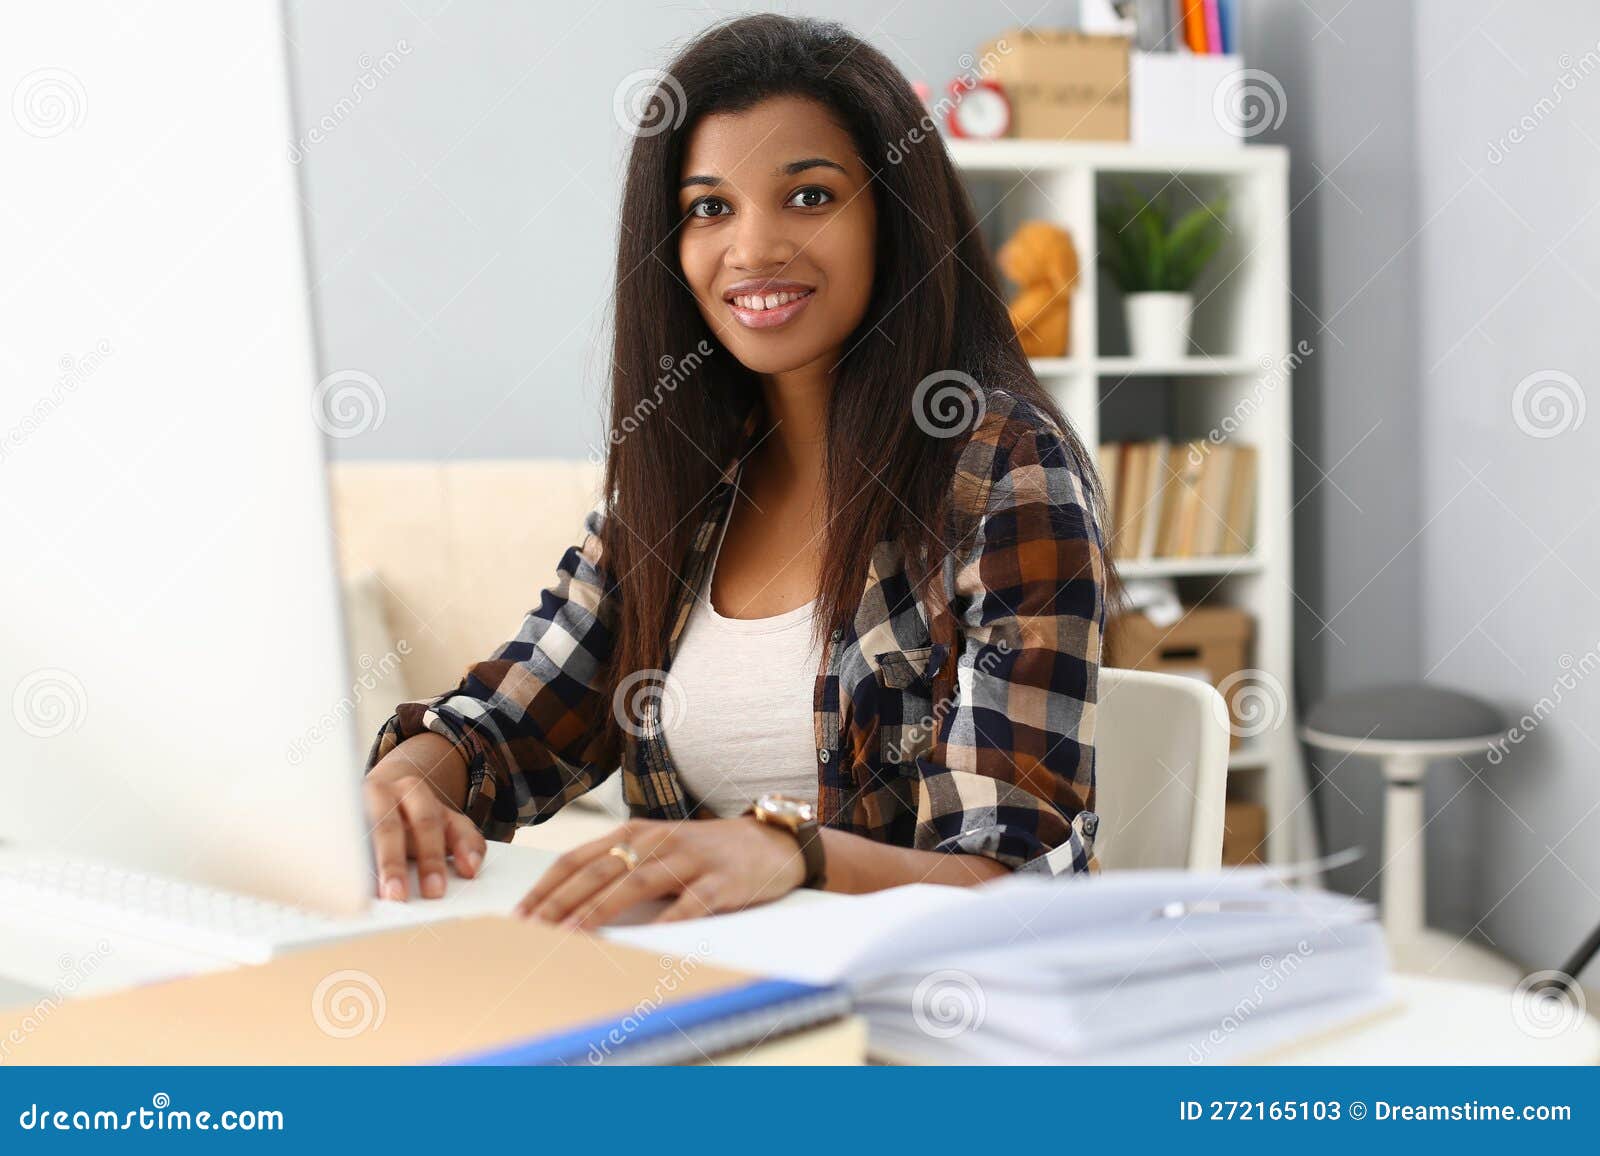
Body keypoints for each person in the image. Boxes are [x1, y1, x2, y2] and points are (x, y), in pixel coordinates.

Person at [362, 13, 1117, 930]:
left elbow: (1014, 878)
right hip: (693, 1006)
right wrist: (412, 773)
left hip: (919, 1022)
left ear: (894, 216)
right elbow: (517, 721)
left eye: (810, 196)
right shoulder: (679, 479)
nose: (753, 248)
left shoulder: (1002, 469)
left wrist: (787, 852)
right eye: (709, 207)